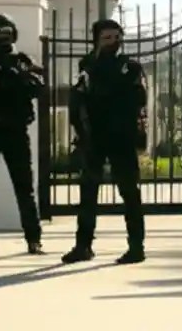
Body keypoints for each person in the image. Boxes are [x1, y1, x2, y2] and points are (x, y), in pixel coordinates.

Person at [61, 19, 148, 265]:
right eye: (106, 38)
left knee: (129, 192)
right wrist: (80, 128)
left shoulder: (130, 67)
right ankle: (83, 245)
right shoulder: (87, 66)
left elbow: (137, 99)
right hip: (94, 137)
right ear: (97, 40)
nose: (112, 42)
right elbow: (77, 99)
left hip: (121, 136)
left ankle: (136, 246)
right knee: (88, 193)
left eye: (116, 37)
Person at [0, 14, 45, 255]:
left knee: (24, 189)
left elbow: (37, 87)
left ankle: (34, 239)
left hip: (15, 131)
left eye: (7, 32)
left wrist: (15, 77)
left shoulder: (22, 61)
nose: (3, 37)